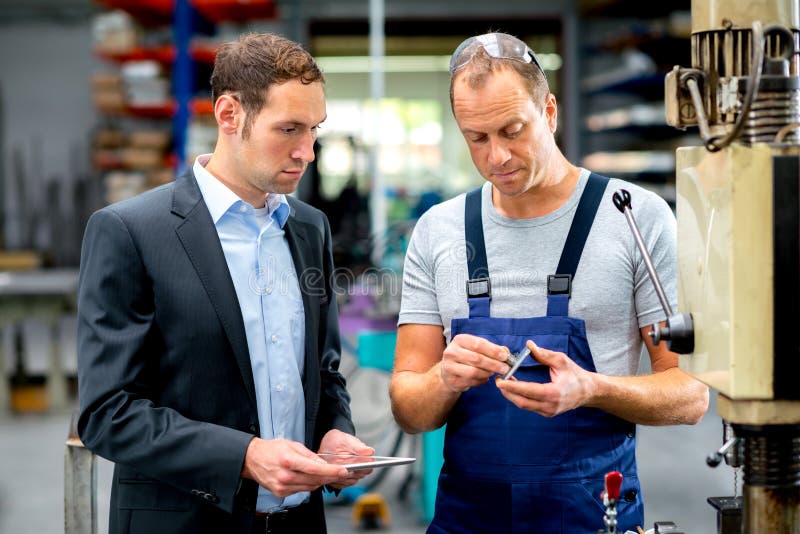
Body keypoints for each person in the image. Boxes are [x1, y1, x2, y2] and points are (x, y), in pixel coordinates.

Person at [389, 32, 709, 534]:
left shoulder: (633, 217)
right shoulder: (438, 230)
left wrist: (591, 388)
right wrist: (443, 379)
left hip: (591, 516)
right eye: (477, 138)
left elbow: (690, 395)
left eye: (513, 129)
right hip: (468, 519)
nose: (497, 157)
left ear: (551, 111)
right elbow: (409, 411)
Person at [77, 33, 374, 534]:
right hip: (185, 522)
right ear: (229, 115)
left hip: (299, 522)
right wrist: (245, 456)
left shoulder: (308, 227)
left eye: (315, 130)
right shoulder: (130, 232)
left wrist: (333, 432)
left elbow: (324, 373)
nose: (308, 152)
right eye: (289, 129)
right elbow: (109, 412)